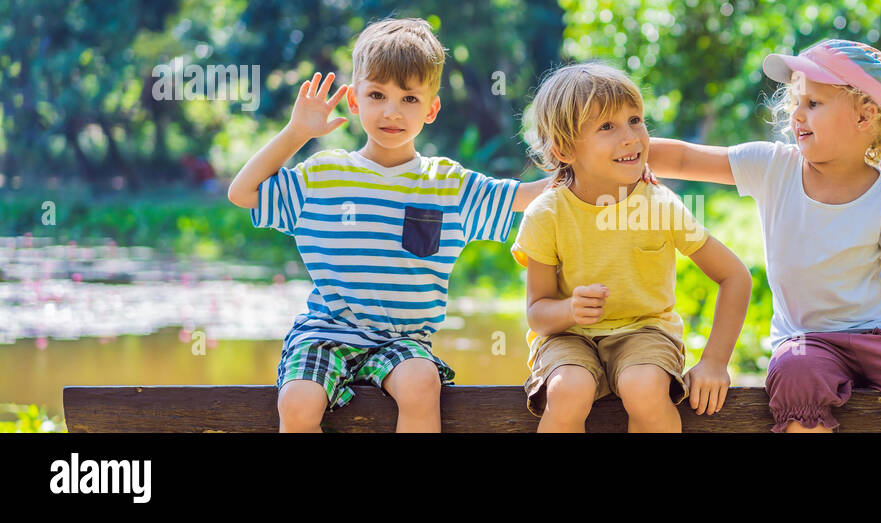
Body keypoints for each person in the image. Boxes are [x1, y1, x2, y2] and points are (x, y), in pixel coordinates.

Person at [648, 39, 881, 433]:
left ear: (865, 118)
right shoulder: (772, 167)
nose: (796, 115)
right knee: (794, 376)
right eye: (796, 103)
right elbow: (683, 158)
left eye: (813, 104)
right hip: (808, 340)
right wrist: (611, 150)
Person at [226, 18, 551, 432]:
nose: (392, 111)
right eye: (377, 95)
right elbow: (243, 193)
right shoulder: (323, 175)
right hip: (327, 332)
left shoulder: (447, 183)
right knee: (298, 401)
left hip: (403, 341)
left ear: (431, 108)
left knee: (421, 383)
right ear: (355, 101)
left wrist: (592, 166)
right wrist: (296, 133)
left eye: (410, 99)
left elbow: (524, 196)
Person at [511, 63, 752, 432]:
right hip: (568, 338)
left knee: (644, 389)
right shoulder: (547, 213)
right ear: (563, 149)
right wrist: (570, 310)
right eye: (607, 126)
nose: (631, 137)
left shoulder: (660, 205)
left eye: (635, 119)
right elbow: (538, 314)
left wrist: (715, 362)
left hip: (645, 333)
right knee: (568, 390)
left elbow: (734, 275)